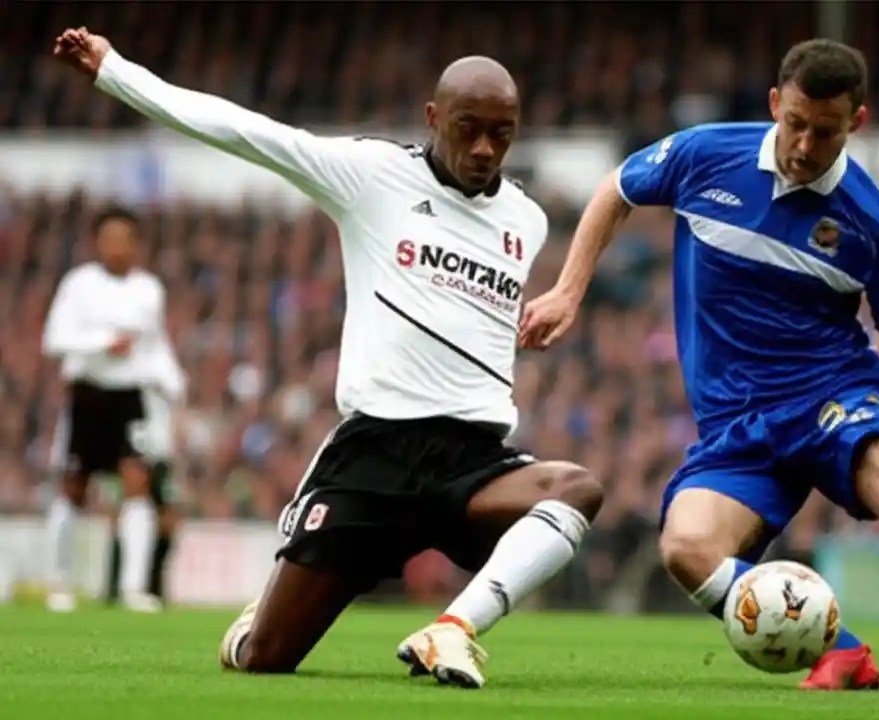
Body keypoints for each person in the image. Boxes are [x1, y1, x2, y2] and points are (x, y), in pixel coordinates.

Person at [520, 38, 879, 696]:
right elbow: (617, 188)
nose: (804, 145)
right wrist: (568, 289)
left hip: (834, 402)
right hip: (739, 427)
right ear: (776, 103)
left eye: (825, 131)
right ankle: (844, 651)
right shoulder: (706, 155)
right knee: (686, 551)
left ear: (856, 122)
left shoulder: (875, 226)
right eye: (795, 123)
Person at [52, 27, 603, 688]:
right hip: (375, 456)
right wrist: (115, 71)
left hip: (472, 461)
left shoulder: (526, 220)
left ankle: (453, 629)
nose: (485, 148)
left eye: (502, 134)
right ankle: (261, 618)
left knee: (575, 489)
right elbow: (244, 131)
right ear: (433, 118)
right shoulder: (371, 176)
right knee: (266, 659)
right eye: (469, 129)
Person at [43, 205, 166, 614]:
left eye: (124, 239)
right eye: (109, 238)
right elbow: (54, 340)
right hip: (88, 394)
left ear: (136, 244)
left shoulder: (148, 289)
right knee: (74, 487)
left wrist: (173, 382)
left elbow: (155, 345)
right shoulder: (79, 285)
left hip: (129, 396)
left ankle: (133, 588)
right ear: (97, 243)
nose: (117, 247)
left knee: (137, 484)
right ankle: (59, 583)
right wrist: (103, 343)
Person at [105, 336, 187, 606]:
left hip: (160, 446)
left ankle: (153, 584)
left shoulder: (158, 356)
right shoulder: (117, 357)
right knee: (128, 506)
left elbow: (177, 388)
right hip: (129, 438)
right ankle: (117, 585)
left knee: (168, 517)